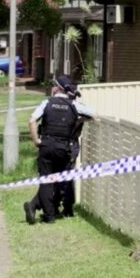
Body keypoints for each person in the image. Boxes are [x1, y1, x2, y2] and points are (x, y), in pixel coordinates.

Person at [23, 75, 93, 225]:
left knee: (46, 181)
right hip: (64, 148)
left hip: (47, 145)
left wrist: (36, 140)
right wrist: (79, 119)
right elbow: (93, 115)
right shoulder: (73, 105)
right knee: (59, 180)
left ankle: (48, 215)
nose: (52, 87)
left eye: (53, 85)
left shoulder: (47, 103)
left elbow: (32, 120)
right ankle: (46, 210)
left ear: (58, 88)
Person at [51, 82, 94, 218]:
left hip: (69, 147)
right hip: (66, 146)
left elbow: (93, 115)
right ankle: (60, 207)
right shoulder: (72, 108)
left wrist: (79, 120)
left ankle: (66, 208)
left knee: (64, 177)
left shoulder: (74, 107)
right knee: (62, 176)